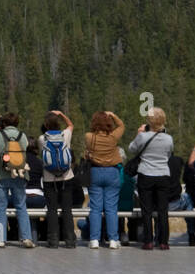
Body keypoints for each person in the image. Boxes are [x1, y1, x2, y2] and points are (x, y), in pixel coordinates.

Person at [0, 112, 34, 249]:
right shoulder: (22, 136)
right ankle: (26, 238)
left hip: (1, 174)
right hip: (20, 173)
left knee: (1, 207)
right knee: (21, 206)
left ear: (3, 122)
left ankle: (0, 239)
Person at [128, 107, 174, 250]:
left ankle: (148, 241)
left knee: (146, 210)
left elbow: (131, 149)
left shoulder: (143, 137)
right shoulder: (168, 138)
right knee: (162, 210)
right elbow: (169, 152)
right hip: (163, 174)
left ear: (149, 121)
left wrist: (139, 134)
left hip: (146, 174)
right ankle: (164, 242)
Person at [84, 110, 125, 249]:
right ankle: (113, 240)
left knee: (95, 208)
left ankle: (94, 239)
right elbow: (121, 126)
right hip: (112, 172)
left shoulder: (89, 137)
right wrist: (113, 115)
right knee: (111, 208)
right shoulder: (113, 137)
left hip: (95, 171)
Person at [36, 110, 75, 248]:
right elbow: (71, 125)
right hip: (66, 177)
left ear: (45, 125)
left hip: (49, 178)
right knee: (67, 209)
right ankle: (70, 240)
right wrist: (62, 115)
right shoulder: (65, 135)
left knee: (52, 210)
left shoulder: (42, 139)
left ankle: (53, 240)